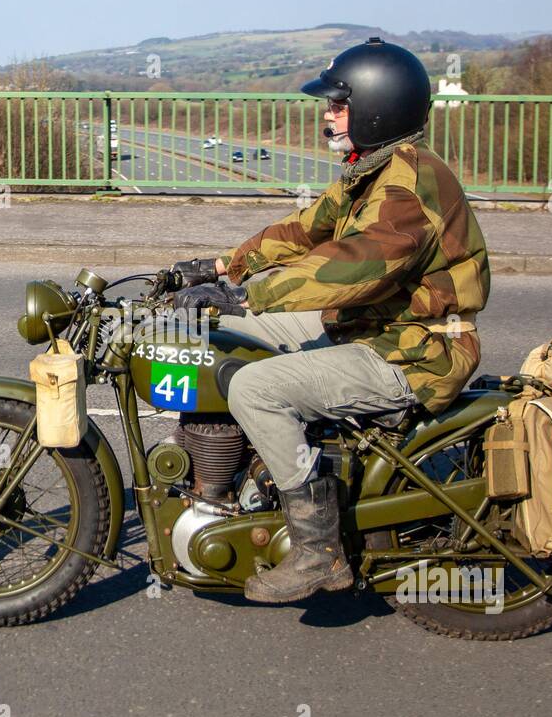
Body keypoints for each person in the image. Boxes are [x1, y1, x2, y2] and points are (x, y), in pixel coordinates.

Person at [169, 37, 491, 604]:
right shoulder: (372, 170)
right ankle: (238, 472)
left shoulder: (409, 186)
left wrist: (252, 297)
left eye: (338, 103)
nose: (328, 114)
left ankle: (319, 552)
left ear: (376, 107)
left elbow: (356, 266)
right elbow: (306, 229)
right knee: (223, 338)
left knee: (256, 388)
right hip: (368, 329)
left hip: (411, 354)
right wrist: (219, 267)